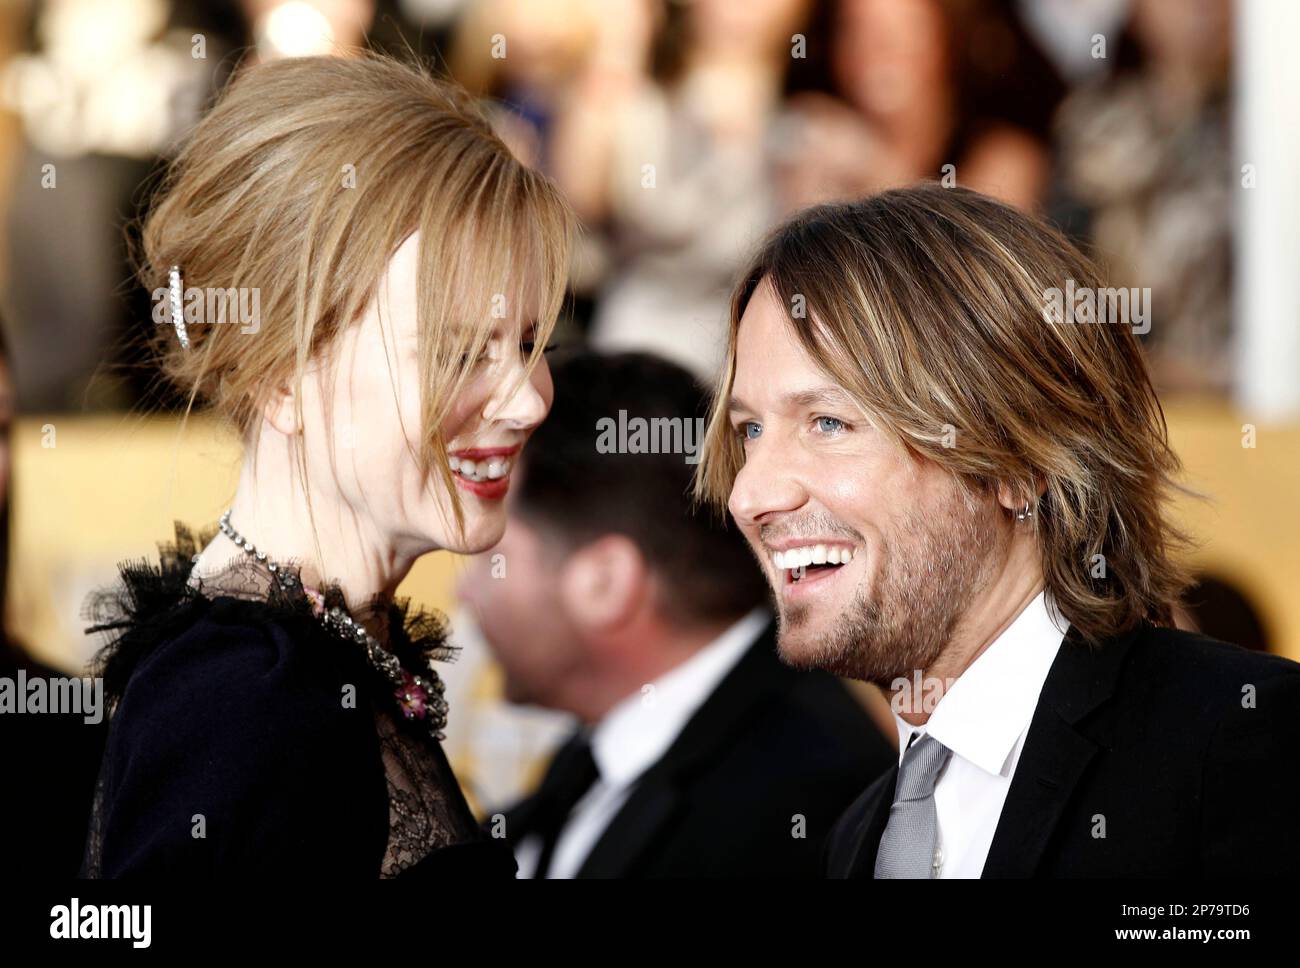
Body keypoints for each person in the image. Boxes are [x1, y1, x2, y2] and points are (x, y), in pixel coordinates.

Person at [694, 184, 1300, 878]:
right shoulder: (858, 836)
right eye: (750, 431)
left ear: (1017, 460)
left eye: (828, 423)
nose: (749, 494)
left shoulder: (1243, 745)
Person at [79, 52, 575, 878]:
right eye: (459, 351)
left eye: (531, 343)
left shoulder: (317, 653)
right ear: (278, 374)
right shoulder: (243, 702)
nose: (528, 400)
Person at [458, 350, 893, 877]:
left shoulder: (802, 811)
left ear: (605, 582)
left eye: (490, 555)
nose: (464, 590)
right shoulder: (606, 755)